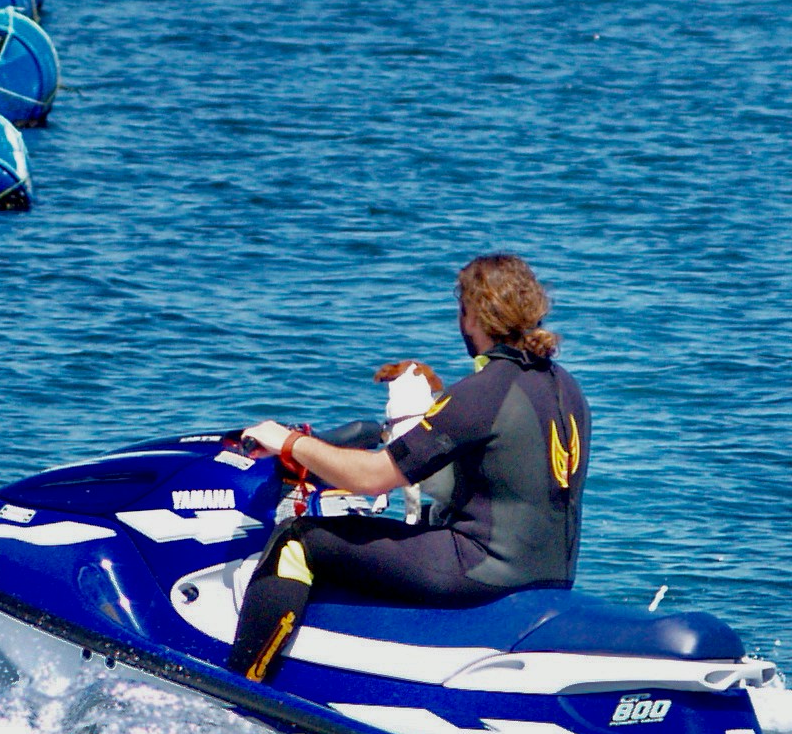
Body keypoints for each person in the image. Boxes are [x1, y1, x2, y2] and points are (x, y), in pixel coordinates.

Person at [226, 252, 591, 684]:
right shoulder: (567, 386)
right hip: (552, 573)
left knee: (297, 540)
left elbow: (372, 478)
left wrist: (291, 442)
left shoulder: (483, 392)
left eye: (462, 309)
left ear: (472, 314)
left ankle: (242, 688)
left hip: (482, 569)